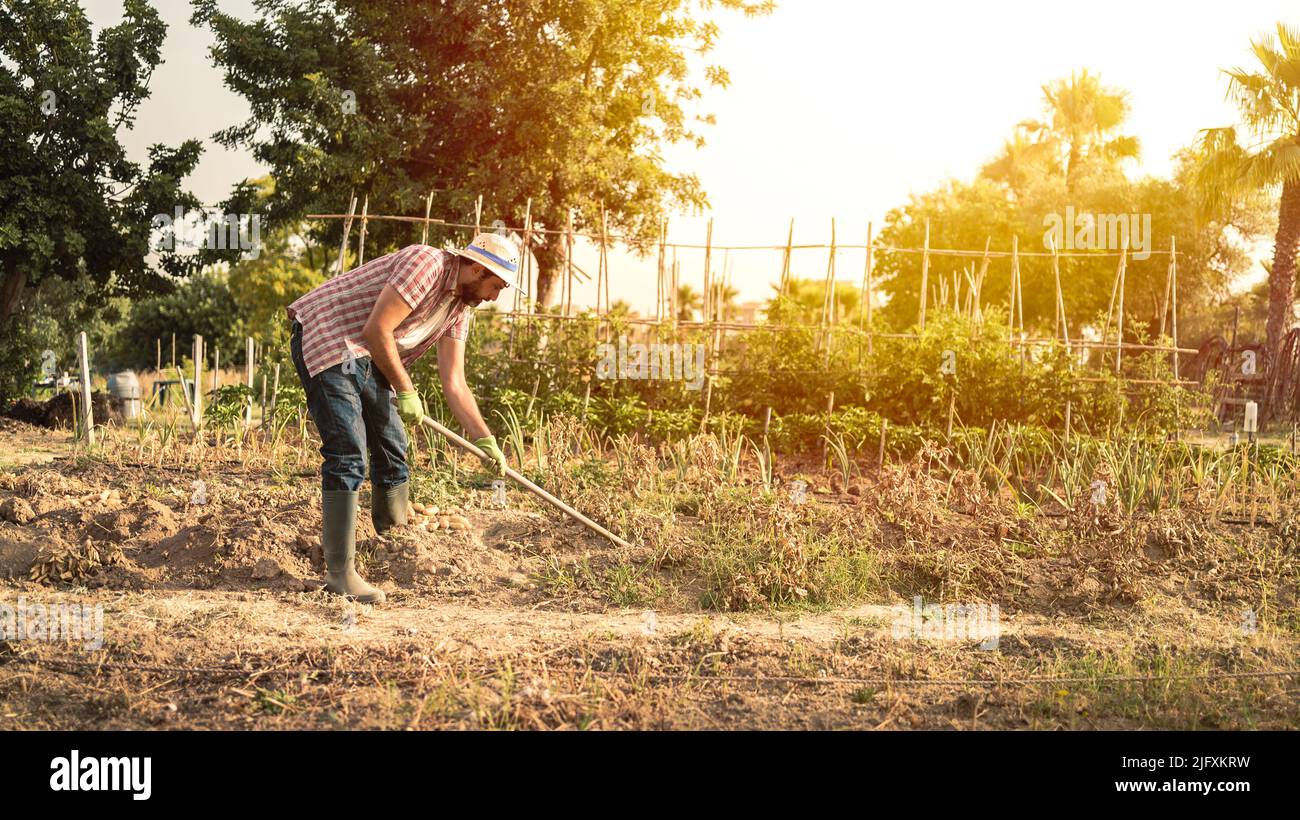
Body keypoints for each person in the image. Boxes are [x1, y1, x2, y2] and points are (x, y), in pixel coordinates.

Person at [287, 232, 524, 603]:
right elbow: (376, 329)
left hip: (368, 352)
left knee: (392, 446)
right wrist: (407, 390)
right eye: (496, 286)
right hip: (331, 336)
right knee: (349, 451)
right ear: (478, 268)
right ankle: (340, 574)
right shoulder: (427, 264)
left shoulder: (458, 308)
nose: (495, 297)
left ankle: (395, 545)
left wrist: (484, 439)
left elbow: (455, 382)